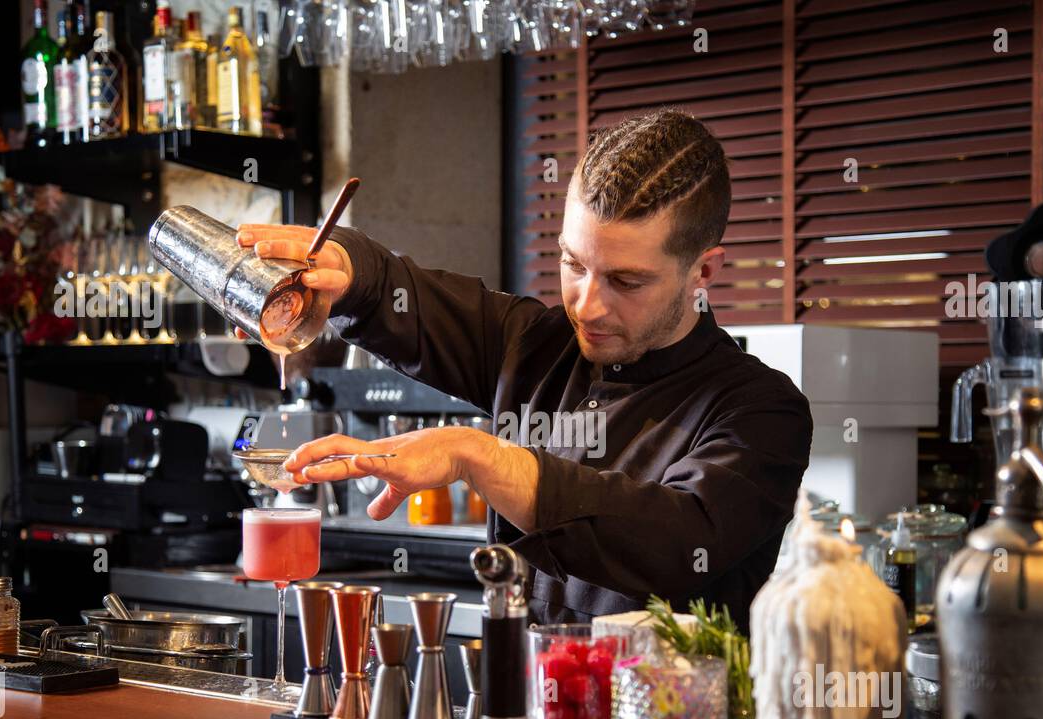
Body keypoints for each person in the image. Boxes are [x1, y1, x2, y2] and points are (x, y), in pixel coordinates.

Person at [236, 109, 812, 630]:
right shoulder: (537, 348)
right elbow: (404, 296)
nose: (586, 304)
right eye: (572, 264)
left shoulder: (760, 410)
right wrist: (344, 270)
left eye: (626, 281)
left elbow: (677, 543)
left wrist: (481, 454)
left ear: (703, 272)